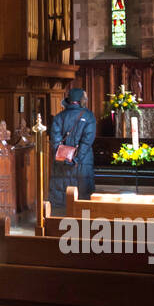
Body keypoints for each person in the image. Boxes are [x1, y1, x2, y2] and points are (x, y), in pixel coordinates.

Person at [47, 88, 96, 217]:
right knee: (82, 198)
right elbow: (87, 141)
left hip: (61, 163)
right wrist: (77, 158)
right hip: (82, 163)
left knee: (61, 196)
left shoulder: (59, 117)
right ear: (81, 100)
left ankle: (59, 223)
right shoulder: (88, 116)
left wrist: (65, 156)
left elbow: (55, 141)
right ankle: (83, 225)